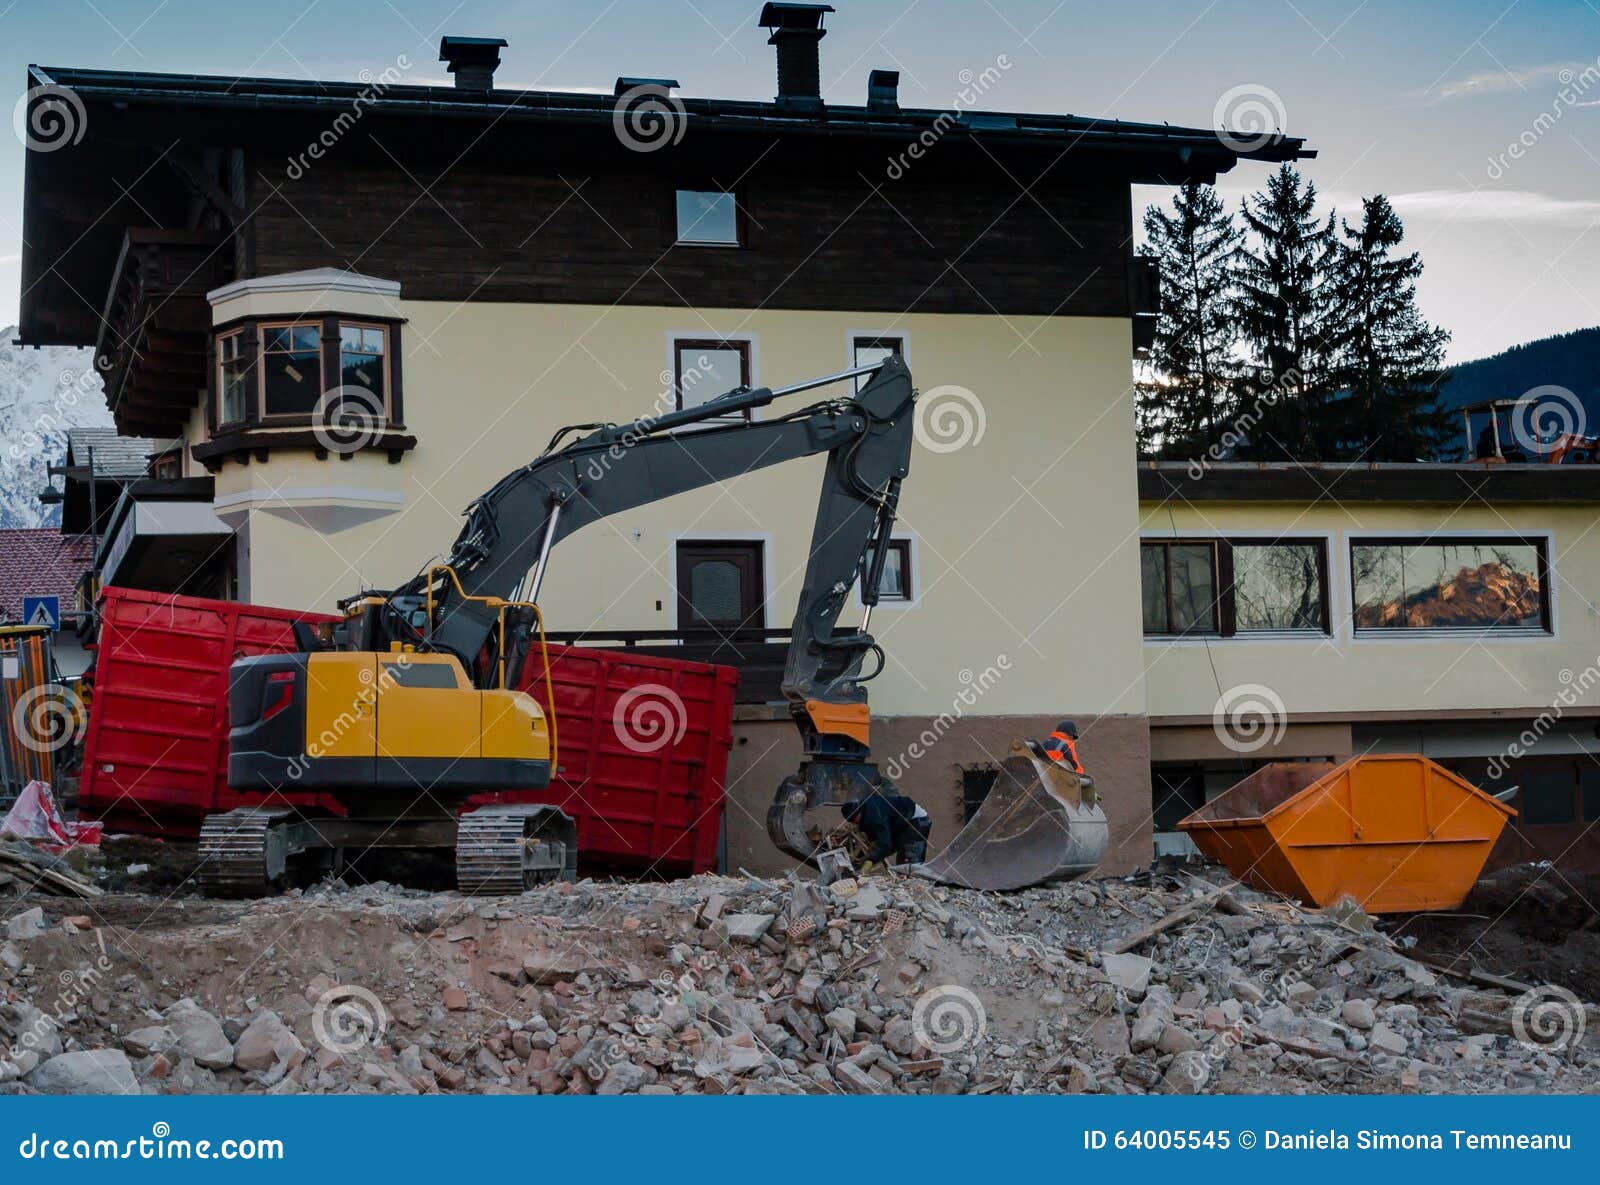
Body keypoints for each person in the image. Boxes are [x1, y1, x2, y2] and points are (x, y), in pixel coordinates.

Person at [842, 793, 932, 866]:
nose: (854, 824)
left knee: (909, 864)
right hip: (900, 824)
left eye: (853, 820)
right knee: (901, 864)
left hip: (916, 821)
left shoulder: (874, 815)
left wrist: (871, 860)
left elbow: (885, 844)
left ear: (858, 813)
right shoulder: (866, 814)